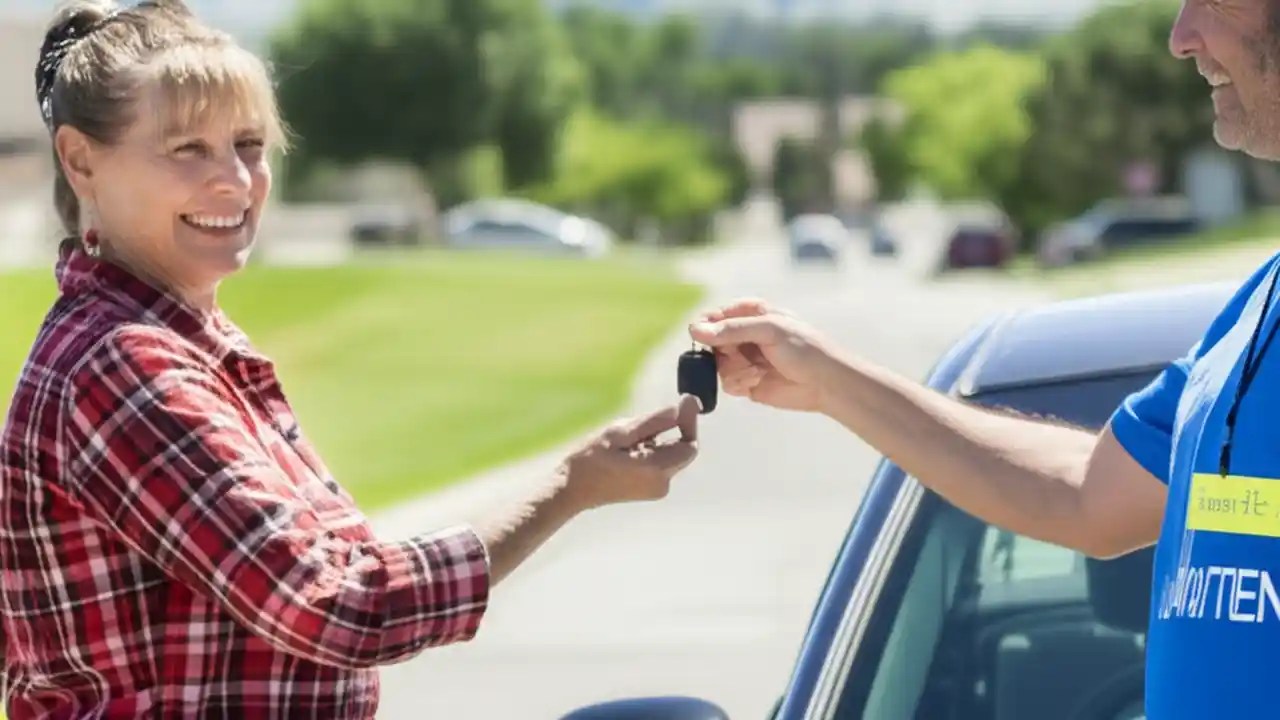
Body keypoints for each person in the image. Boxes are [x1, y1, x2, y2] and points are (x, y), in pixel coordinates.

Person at [0, 1, 701, 717]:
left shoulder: (169, 344)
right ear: (81, 159)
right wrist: (569, 487)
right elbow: (335, 605)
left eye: (247, 144)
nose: (236, 181)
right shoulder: (120, 366)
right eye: (188, 150)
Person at [689, 3, 1280, 717]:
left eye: (1214, 0)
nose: (1182, 38)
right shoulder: (1254, 315)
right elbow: (1085, 495)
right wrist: (829, 379)